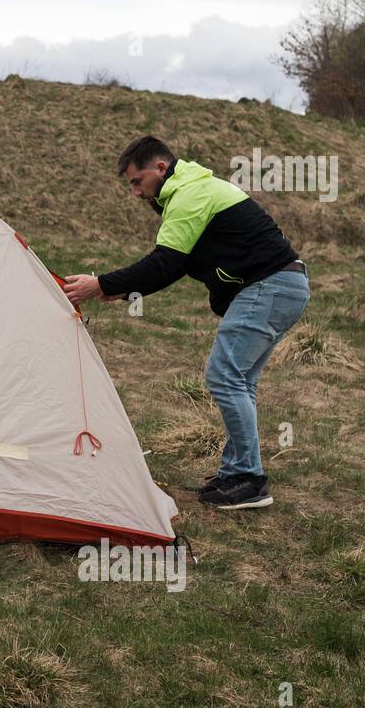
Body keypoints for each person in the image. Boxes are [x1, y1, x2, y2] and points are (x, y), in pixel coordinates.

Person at [60, 136, 309, 511]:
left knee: (225, 377)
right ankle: (237, 474)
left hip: (269, 286)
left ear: (160, 168)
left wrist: (101, 284)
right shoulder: (193, 189)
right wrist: (123, 291)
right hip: (283, 285)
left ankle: (250, 480)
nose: (136, 193)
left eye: (137, 181)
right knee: (239, 381)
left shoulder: (190, 194)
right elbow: (174, 267)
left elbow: (164, 262)